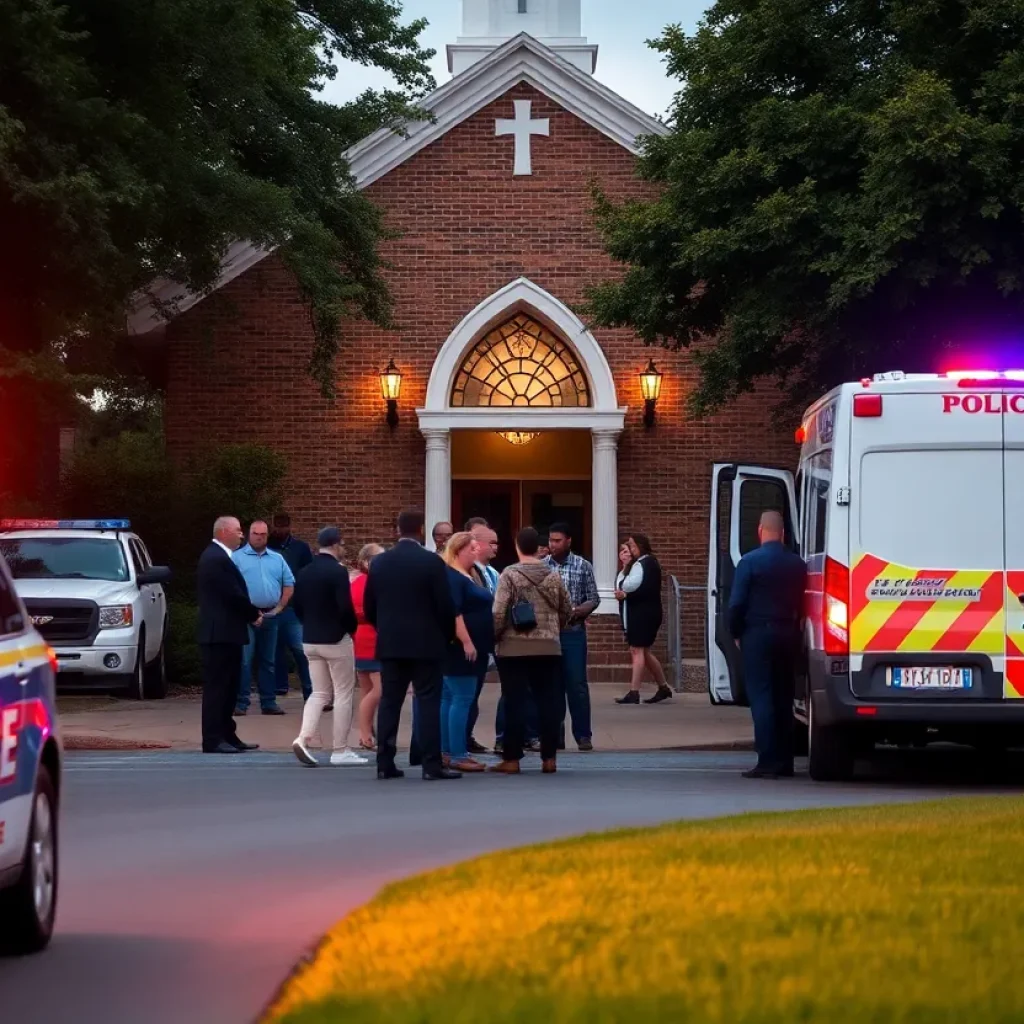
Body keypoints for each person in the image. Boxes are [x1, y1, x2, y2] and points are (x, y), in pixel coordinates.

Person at [365, 510, 460, 781]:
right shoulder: (431, 562)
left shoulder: (380, 563)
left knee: (390, 702)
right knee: (428, 701)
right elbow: (444, 605)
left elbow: (370, 606)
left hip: (391, 642)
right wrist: (445, 634)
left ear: (397, 530)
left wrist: (384, 627)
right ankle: (431, 764)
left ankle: (385, 762)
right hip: (426, 643)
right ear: (420, 530)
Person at [728, 510, 806, 779]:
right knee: (784, 697)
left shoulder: (749, 562)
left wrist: (736, 633)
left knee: (761, 696)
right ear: (783, 533)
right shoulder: (798, 564)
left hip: (758, 633)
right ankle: (785, 761)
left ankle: (767, 759)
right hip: (788, 633)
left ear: (760, 530)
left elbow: (737, 603)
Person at [489, 527, 572, 775]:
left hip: (514, 649)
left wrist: (495, 636)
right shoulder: (553, 575)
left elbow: (498, 611)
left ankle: (512, 759)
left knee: (515, 702)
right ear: (538, 547)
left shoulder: (509, 575)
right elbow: (567, 609)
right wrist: (555, 629)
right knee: (548, 701)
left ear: (516, 546)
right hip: (548, 647)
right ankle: (549, 758)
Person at [290, 527, 366, 767]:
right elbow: (345, 607)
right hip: (335, 639)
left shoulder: (304, 571)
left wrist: (308, 625)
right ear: (335, 545)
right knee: (343, 692)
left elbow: (297, 605)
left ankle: (303, 738)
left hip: (310, 638)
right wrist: (350, 629)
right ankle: (340, 749)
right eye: (342, 544)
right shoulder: (337, 572)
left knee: (319, 692)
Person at [197, 516, 261, 754]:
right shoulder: (215, 558)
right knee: (218, 687)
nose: (241, 535)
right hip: (219, 634)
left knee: (230, 686)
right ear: (224, 531)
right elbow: (231, 594)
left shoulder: (222, 557)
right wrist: (253, 614)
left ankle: (227, 733)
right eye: (238, 530)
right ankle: (213, 738)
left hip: (228, 632)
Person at [442, 532, 494, 772]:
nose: (476, 551)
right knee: (462, 698)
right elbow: (455, 612)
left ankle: (446, 750)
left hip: (465, 646)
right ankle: (458, 754)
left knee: (451, 698)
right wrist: (467, 641)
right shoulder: (454, 576)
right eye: (471, 548)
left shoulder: (469, 575)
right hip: (461, 648)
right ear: (458, 550)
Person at [545, 522, 599, 751]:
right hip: (548, 635)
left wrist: (580, 610)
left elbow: (593, 597)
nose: (552, 545)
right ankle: (555, 735)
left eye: (557, 541)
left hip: (573, 633)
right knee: (552, 687)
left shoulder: (582, 566)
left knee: (576, 685)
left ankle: (583, 735)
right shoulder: (542, 567)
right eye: (550, 540)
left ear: (568, 541)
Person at [233, 520, 295, 716]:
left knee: (268, 661)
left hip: (270, 615)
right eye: (255, 533)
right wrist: (248, 612)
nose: (259, 537)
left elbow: (289, 584)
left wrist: (279, 608)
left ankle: (268, 702)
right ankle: (241, 703)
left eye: (263, 534)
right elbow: (232, 589)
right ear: (248, 534)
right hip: (246, 617)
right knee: (244, 661)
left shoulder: (277, 559)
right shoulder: (236, 558)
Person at [614, 532, 672, 705]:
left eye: (631, 546)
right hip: (645, 612)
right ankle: (663, 687)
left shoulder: (643, 564)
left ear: (640, 545)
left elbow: (628, 585)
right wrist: (625, 567)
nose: (630, 550)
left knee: (636, 650)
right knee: (644, 652)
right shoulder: (643, 564)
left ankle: (634, 692)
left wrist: (624, 592)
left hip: (643, 614)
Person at [269, 513, 314, 701]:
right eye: (277, 526)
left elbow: (308, 574)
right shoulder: (267, 546)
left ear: (290, 526)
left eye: (284, 526)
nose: (280, 530)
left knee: (299, 649)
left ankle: (310, 691)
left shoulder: (300, 548)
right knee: (273, 650)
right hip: (270, 604)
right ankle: (278, 686)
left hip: (292, 606)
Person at [466, 523, 499, 754]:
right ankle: (458, 743)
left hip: (486, 641)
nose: (496, 547)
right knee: (465, 695)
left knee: (474, 693)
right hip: (470, 642)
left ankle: (467, 736)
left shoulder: (493, 572)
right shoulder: (468, 572)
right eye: (492, 542)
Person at [351, 543, 384, 751]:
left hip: (362, 636)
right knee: (380, 689)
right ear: (365, 562)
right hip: (371, 637)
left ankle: (366, 734)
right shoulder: (367, 583)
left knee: (367, 689)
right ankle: (364, 733)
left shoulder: (358, 582)